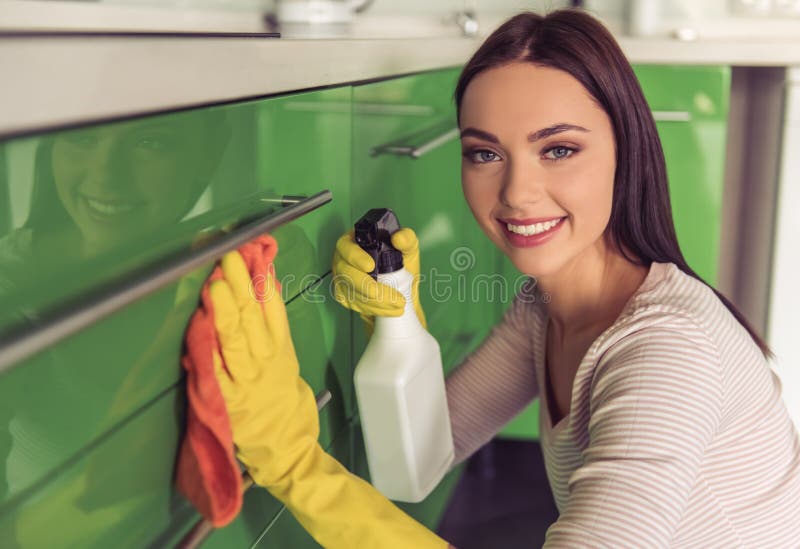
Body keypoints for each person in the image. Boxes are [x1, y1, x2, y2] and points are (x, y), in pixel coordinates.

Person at [209, 8, 800, 548]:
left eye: (559, 149)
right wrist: (396, 322)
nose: (517, 193)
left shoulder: (667, 354)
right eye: (485, 154)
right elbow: (417, 465)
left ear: (626, 150)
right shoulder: (544, 308)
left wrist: (297, 468)